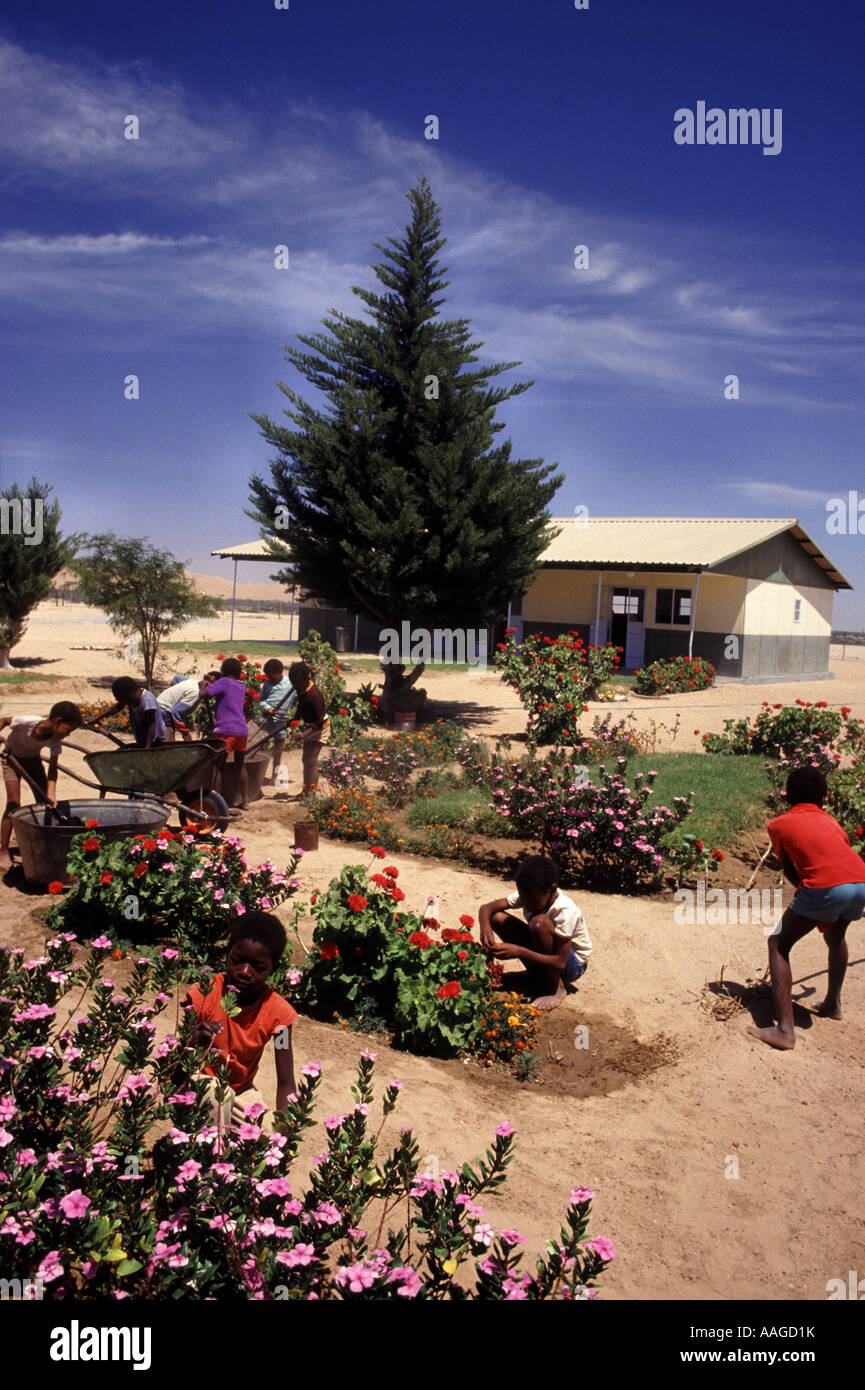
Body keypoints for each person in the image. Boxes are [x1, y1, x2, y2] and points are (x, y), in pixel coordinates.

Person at [747, 766, 865, 1051]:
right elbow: (841, 858)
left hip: (826, 885)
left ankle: (785, 1031)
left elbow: (792, 871)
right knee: (835, 937)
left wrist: (817, 906)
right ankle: (832, 1004)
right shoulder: (832, 822)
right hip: (860, 880)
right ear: (823, 798)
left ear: (789, 795)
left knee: (778, 942)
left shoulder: (779, 824)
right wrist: (825, 912)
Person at [184, 912, 297, 1124]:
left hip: (240, 1093)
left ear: (274, 968)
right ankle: (210, 1154)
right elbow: (172, 1072)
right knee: (216, 1096)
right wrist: (192, 1042)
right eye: (238, 961)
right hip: (196, 1090)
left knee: (268, 1133)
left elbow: (286, 1081)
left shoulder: (279, 1017)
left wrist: (286, 1128)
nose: (245, 972)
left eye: (258, 967)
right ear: (228, 954)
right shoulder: (203, 996)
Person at [478, 854, 592, 1010]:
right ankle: (537, 976)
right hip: (549, 954)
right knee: (497, 918)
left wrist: (519, 951)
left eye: (531, 900)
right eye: (522, 898)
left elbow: (560, 962)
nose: (525, 903)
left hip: (571, 965)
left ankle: (555, 988)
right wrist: (485, 928)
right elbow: (487, 908)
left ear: (552, 889)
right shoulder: (528, 893)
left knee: (539, 924)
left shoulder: (565, 910)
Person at [0, 701, 83, 870]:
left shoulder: (55, 742)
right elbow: (4, 720)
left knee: (44, 803)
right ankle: (3, 851)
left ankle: (41, 843)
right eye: (67, 730)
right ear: (58, 721)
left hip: (33, 761)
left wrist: (50, 793)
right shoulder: (27, 721)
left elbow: (53, 770)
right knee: (13, 803)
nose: (67, 735)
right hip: (11, 759)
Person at [204, 658, 249, 809]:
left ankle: (218, 803)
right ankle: (245, 800)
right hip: (241, 730)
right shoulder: (241, 686)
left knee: (217, 766)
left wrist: (204, 683)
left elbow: (203, 694)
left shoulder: (224, 682)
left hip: (226, 730)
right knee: (239, 765)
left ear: (225, 672)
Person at [286, 660, 330, 801]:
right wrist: (293, 720)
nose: (294, 686)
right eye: (292, 683)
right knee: (306, 759)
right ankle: (306, 791)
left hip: (320, 727)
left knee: (311, 760)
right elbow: (301, 707)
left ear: (306, 678)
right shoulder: (302, 688)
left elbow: (319, 722)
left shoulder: (314, 696)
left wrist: (303, 734)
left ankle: (311, 794)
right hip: (311, 726)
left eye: (296, 683)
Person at [94, 677, 167, 749]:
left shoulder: (148, 701)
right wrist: (97, 718)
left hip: (156, 743)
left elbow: (152, 726)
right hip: (144, 741)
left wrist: (147, 750)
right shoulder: (132, 698)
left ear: (131, 694)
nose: (125, 703)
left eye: (125, 700)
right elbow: (118, 707)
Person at [258, 658, 296, 783]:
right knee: (262, 747)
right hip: (266, 720)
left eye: (270, 675)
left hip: (281, 722)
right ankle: (259, 773)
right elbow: (261, 701)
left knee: (278, 751)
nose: (269, 678)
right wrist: (268, 708)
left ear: (279, 672)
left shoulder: (291, 684)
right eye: (267, 676)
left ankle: (275, 775)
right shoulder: (267, 685)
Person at [157, 673, 213, 742]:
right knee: (168, 743)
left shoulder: (193, 681)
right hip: (164, 709)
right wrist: (185, 733)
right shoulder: (195, 694)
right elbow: (176, 712)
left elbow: (176, 678)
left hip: (161, 703)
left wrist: (172, 694)